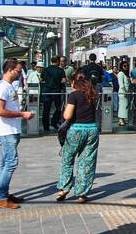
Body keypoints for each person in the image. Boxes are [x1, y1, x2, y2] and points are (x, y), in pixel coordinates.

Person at [0, 59, 33, 209]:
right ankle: (2, 197)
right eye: (18, 71)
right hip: (6, 131)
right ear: (10, 70)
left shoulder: (6, 87)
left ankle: (3, 193)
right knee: (10, 163)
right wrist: (22, 114)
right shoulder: (2, 88)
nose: (20, 74)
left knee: (4, 163)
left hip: (9, 130)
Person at [56, 71, 101, 203]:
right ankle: (82, 193)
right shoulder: (92, 94)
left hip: (76, 130)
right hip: (92, 130)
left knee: (67, 159)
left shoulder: (73, 95)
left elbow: (67, 116)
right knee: (87, 162)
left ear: (74, 83)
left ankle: (64, 188)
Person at [42, 57, 67, 129]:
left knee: (46, 109)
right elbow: (63, 80)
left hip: (46, 91)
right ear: (57, 61)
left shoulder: (45, 69)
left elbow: (42, 78)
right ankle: (54, 121)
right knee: (59, 107)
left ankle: (46, 126)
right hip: (56, 91)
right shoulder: (60, 70)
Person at [115, 60, 131, 127]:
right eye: (124, 66)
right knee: (122, 106)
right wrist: (125, 91)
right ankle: (120, 119)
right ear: (121, 66)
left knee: (125, 106)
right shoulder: (120, 73)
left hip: (126, 92)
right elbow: (121, 84)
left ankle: (123, 119)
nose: (126, 67)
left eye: (127, 65)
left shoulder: (126, 74)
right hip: (123, 92)